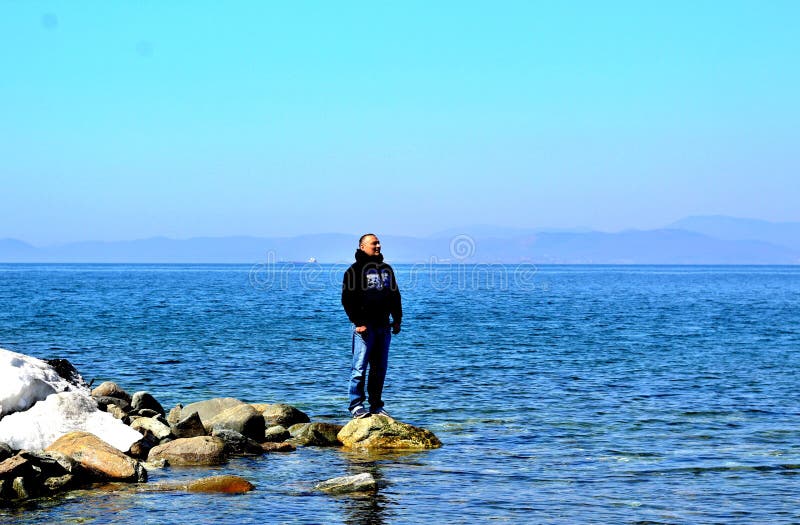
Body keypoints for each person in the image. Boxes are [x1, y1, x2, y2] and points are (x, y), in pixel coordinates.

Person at [341, 233, 402, 419]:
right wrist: (358, 322)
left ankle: (376, 405)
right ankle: (356, 405)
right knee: (359, 368)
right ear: (362, 247)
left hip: (384, 326)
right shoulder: (354, 271)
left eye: (379, 243)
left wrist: (397, 319)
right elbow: (347, 299)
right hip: (365, 328)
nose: (378, 246)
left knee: (379, 369)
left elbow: (395, 295)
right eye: (374, 243)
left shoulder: (386, 269)